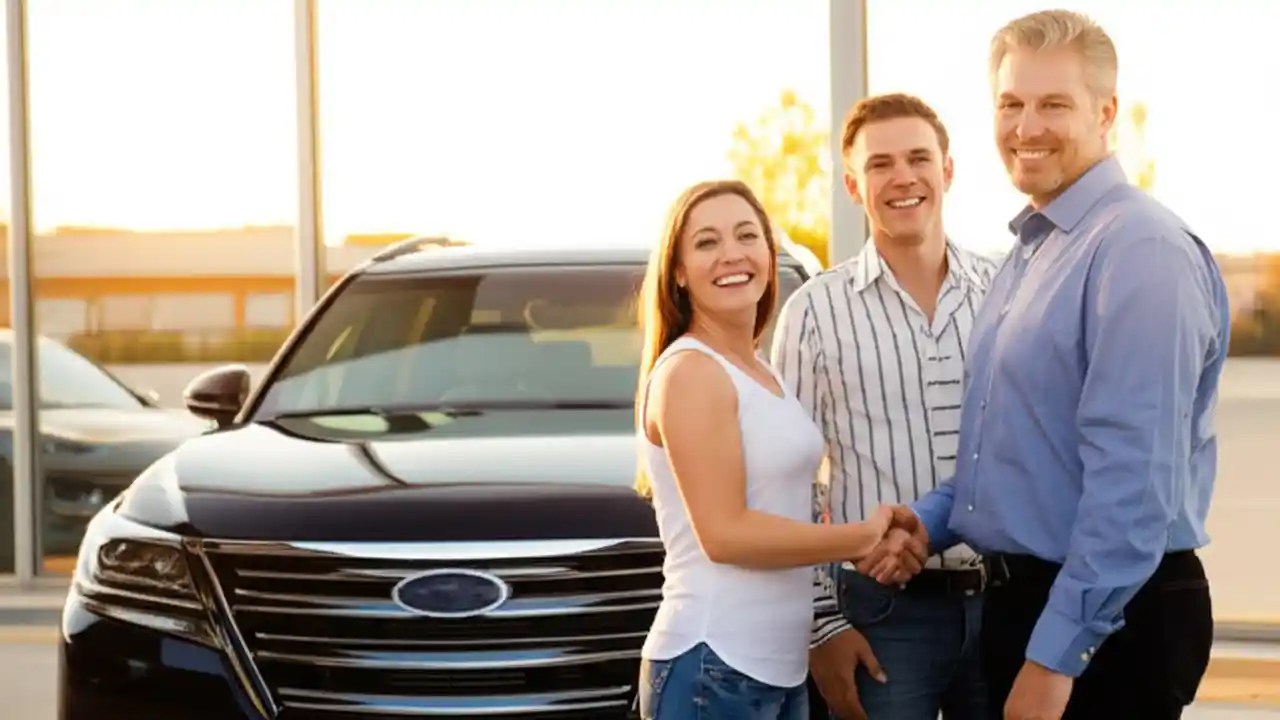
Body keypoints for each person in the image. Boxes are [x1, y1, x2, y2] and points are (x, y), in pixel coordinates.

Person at [907, 9, 1231, 720]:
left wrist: (1057, 656)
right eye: (1010, 104)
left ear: (1106, 112)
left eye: (1053, 104)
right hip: (1030, 605)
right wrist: (929, 522)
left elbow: (1133, 483)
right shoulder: (1035, 249)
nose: (1027, 127)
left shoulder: (1139, 251)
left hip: (1110, 625)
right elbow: (1020, 452)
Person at [633, 179, 911, 720]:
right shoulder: (691, 371)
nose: (731, 254)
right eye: (707, 242)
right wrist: (859, 538)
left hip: (774, 669)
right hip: (714, 666)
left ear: (768, 252)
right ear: (679, 272)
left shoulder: (758, 368)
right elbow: (725, 534)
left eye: (747, 236)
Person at [771, 93, 1000, 720]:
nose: (903, 177)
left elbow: (1028, 449)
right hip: (880, 615)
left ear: (947, 170)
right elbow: (789, 484)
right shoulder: (814, 312)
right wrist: (821, 626)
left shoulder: (1005, 292)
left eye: (918, 158)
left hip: (1004, 603)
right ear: (853, 185)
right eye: (880, 164)